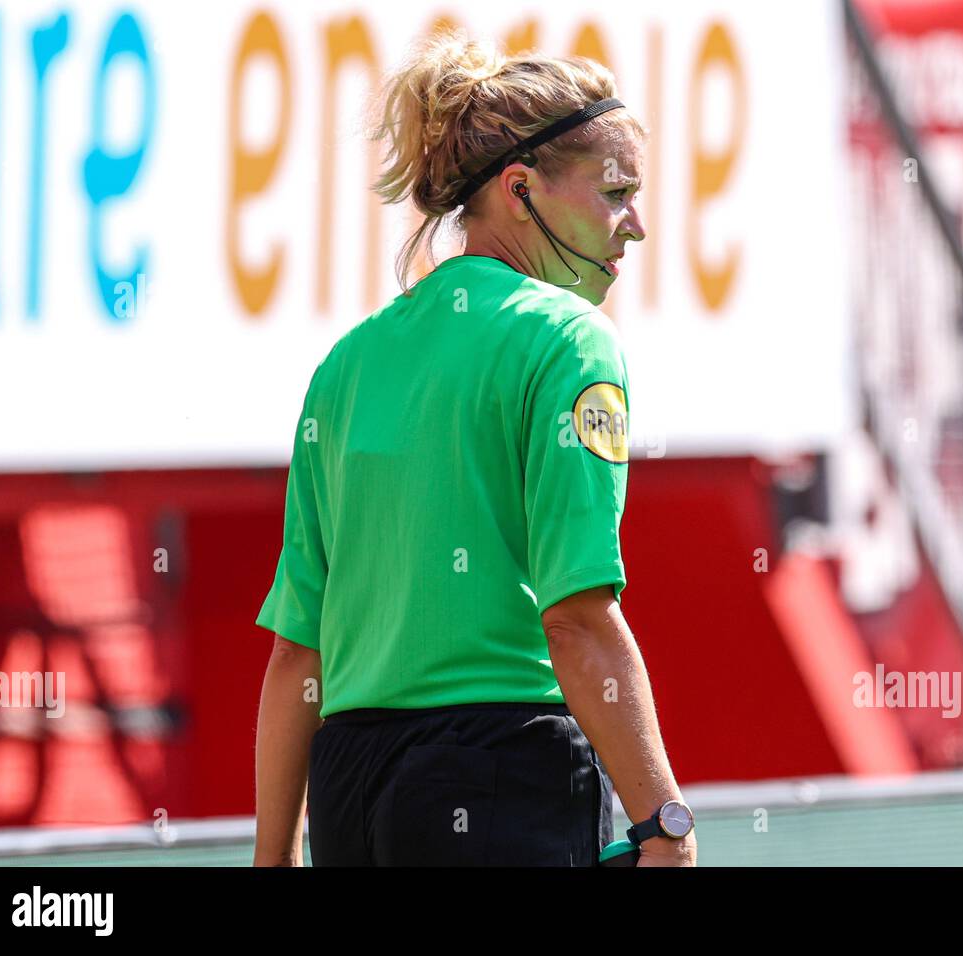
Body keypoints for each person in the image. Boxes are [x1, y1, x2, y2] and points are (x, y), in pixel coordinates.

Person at [251, 30, 696, 867]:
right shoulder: (570, 342)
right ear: (520, 190)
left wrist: (272, 860)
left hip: (348, 786)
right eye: (614, 192)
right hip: (498, 771)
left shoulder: (343, 367)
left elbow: (294, 654)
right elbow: (576, 620)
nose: (634, 226)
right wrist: (664, 825)